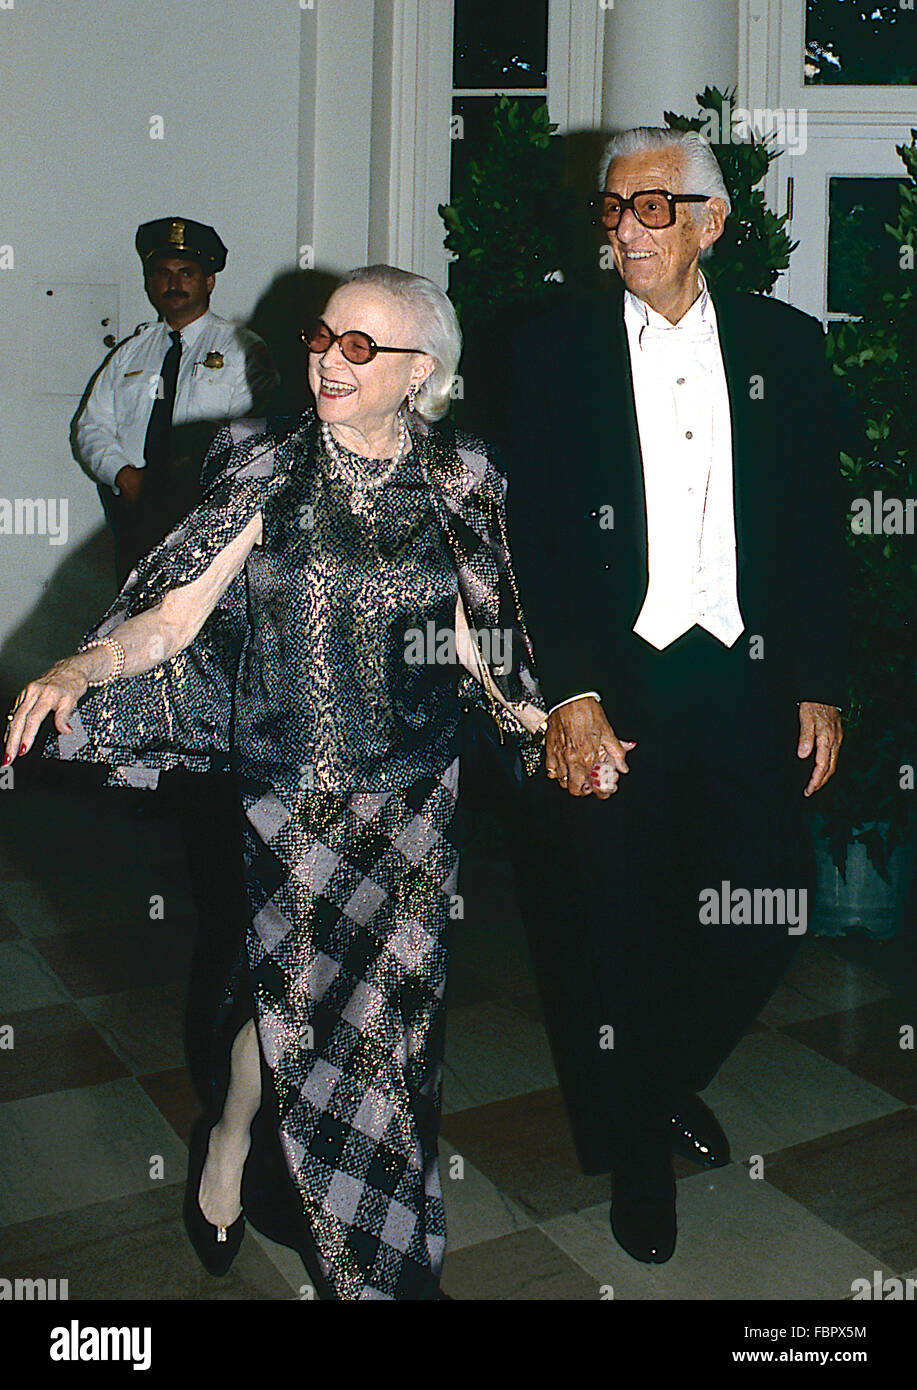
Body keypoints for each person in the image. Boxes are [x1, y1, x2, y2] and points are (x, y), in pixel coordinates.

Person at [4, 265, 545, 1300]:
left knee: (387, 1027)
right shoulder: (265, 463)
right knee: (308, 1007)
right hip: (289, 795)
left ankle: (356, 1237)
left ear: (418, 371)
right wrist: (84, 662)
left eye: (358, 346)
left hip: (414, 797)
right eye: (320, 336)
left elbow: (480, 636)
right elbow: (173, 611)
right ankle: (266, 1172)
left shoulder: (463, 473)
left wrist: (546, 719)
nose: (326, 360)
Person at [503, 129, 847, 1264]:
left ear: (709, 221)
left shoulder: (785, 347)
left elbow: (811, 530)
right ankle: (638, 1161)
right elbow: (529, 541)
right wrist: (568, 692)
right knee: (619, 928)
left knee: (769, 907)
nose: (625, 231)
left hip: (740, 677)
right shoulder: (549, 348)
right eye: (612, 210)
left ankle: (651, 1084)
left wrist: (819, 684)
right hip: (615, 681)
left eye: (653, 209)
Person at [74, 216, 279, 585]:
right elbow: (92, 427)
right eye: (163, 273)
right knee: (134, 618)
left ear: (209, 281)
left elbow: (259, 437)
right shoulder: (130, 354)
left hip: (207, 518)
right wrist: (124, 475)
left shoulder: (243, 349)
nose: (174, 283)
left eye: (187, 273)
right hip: (136, 516)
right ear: (150, 283)